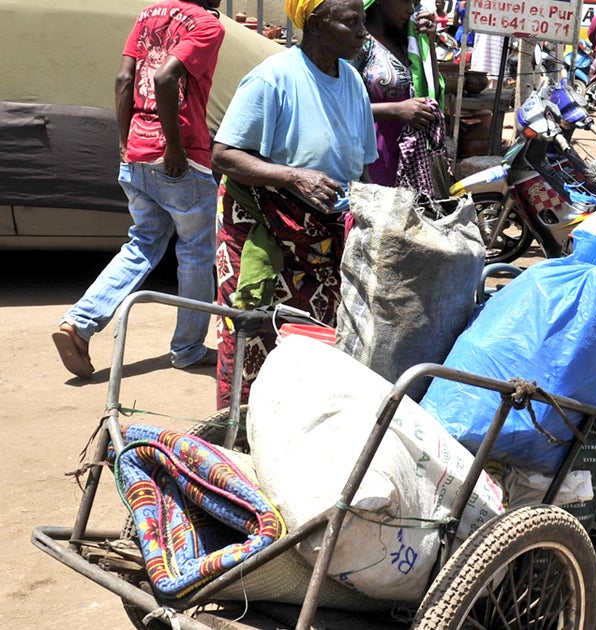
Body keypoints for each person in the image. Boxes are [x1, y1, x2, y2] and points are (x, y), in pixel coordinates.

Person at [210, 0, 378, 408]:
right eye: (352, 22)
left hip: (322, 234)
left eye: (363, 21)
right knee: (255, 330)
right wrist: (292, 175)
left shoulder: (353, 82)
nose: (363, 32)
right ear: (318, 24)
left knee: (317, 340)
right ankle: (239, 431)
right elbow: (223, 155)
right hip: (262, 223)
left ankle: (299, 424)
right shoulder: (272, 78)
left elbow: (363, 168)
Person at [52, 0, 225, 379]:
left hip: (136, 150)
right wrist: (175, 147)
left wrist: (122, 141)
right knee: (196, 252)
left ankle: (78, 324)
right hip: (180, 157)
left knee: (142, 244)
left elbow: (124, 78)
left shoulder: (148, 13)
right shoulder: (207, 25)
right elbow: (165, 78)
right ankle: (188, 348)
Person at [354, 0, 451, 195]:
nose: (410, 9)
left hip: (411, 159)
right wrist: (397, 111)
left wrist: (428, 42)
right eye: (405, 1)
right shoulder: (359, 43)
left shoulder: (407, 40)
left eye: (414, 3)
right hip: (373, 157)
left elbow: (433, 92)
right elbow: (338, 106)